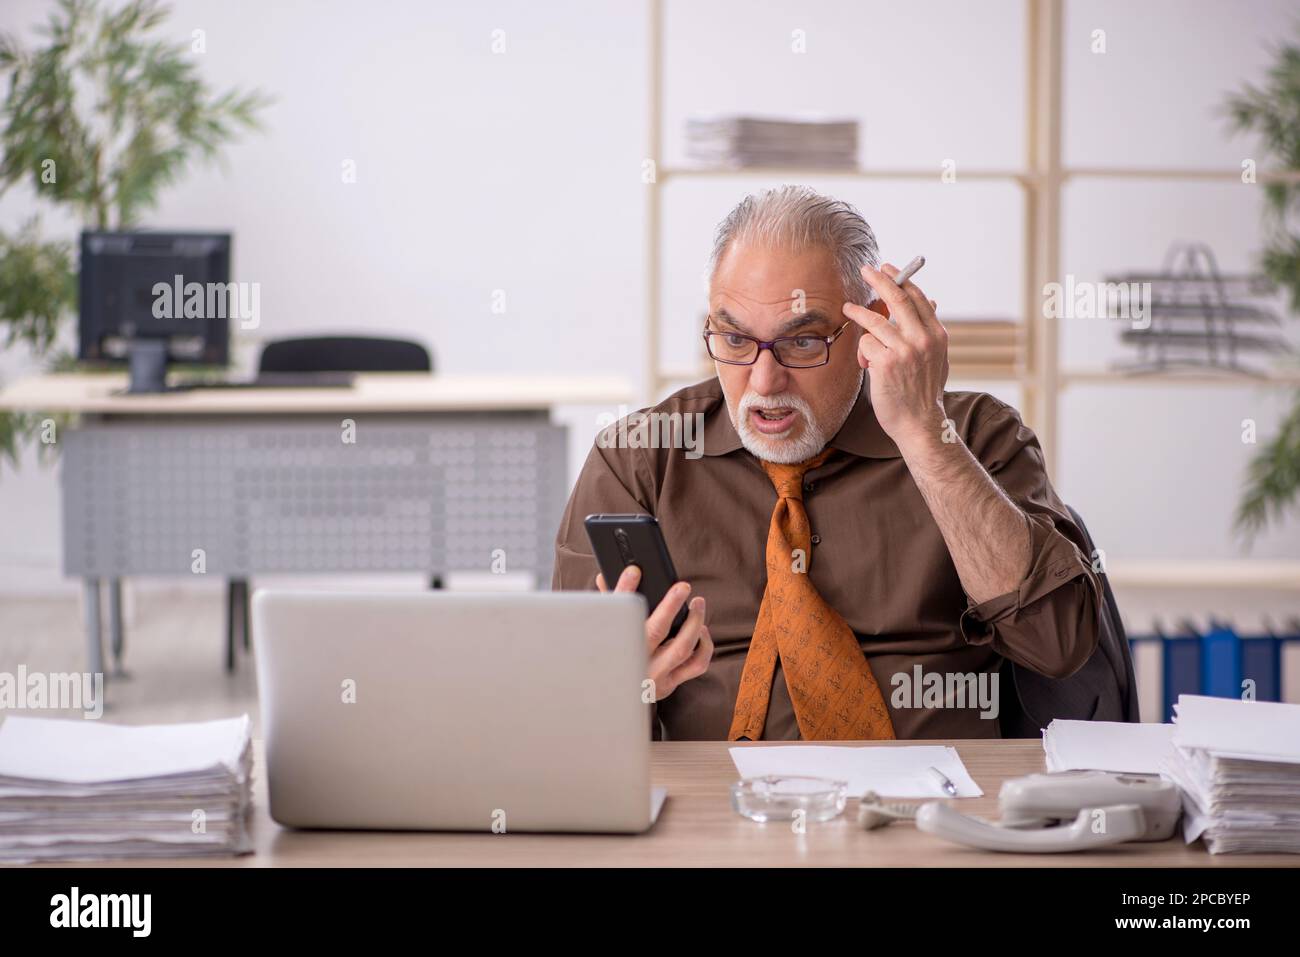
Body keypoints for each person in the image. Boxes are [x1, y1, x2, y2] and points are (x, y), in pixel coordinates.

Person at [554, 185, 1101, 740]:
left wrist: (924, 435)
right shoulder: (640, 457)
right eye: (736, 339)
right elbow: (563, 714)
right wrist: (619, 690)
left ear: (873, 325)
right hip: (715, 807)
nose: (764, 382)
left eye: (803, 341)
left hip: (931, 805)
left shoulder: (975, 435)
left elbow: (1056, 646)